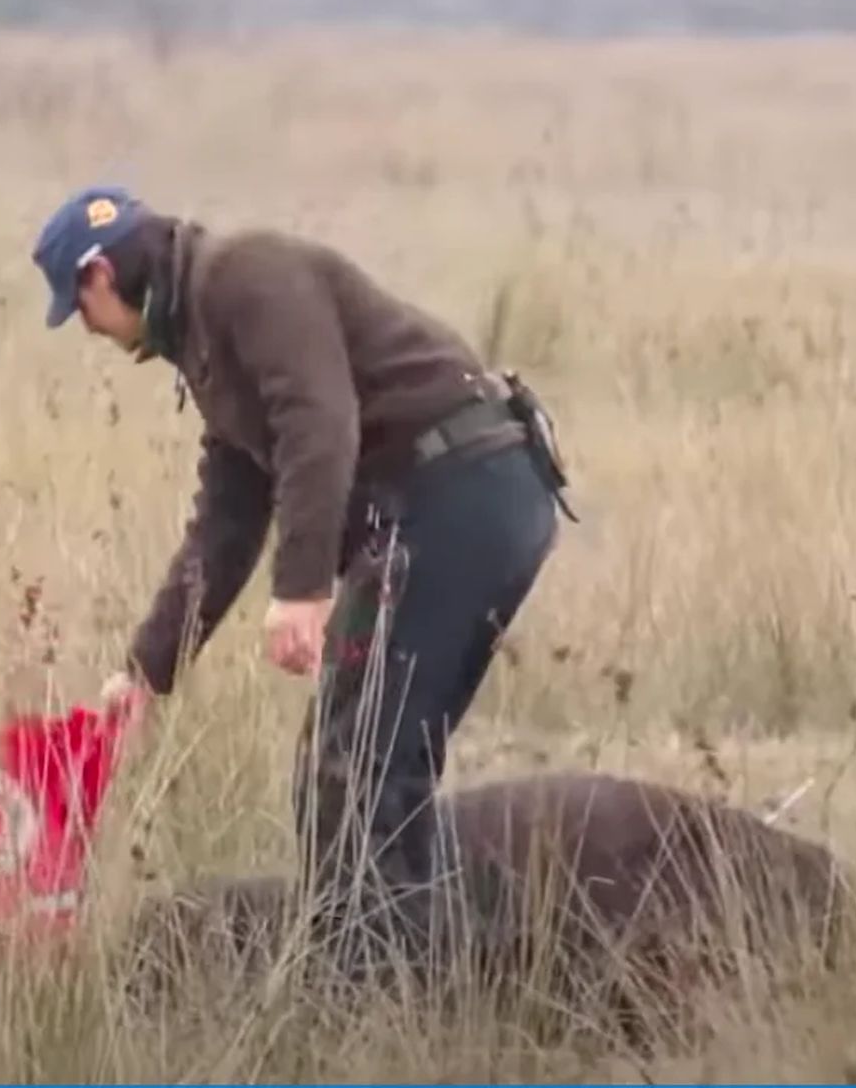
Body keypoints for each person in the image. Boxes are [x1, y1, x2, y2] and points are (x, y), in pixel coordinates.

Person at [30, 185, 573, 975]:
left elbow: (319, 424)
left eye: (78, 309)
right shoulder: (207, 340)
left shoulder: (245, 276)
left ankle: (388, 992)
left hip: (461, 499)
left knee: (361, 769)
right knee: (349, 766)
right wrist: (146, 673)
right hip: (445, 510)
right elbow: (226, 523)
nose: (87, 330)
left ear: (99, 276)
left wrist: (302, 590)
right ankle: (406, 974)